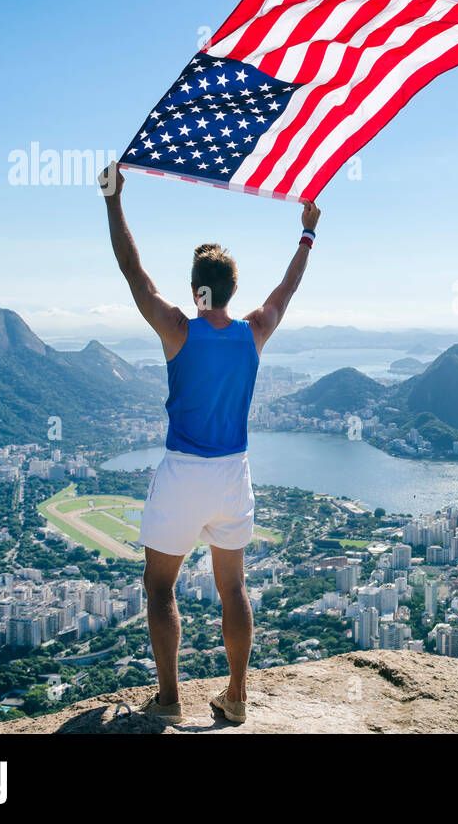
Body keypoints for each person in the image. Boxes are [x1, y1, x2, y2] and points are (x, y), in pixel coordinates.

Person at [100, 164, 321, 724]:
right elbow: (288, 288)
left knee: (159, 589)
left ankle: (170, 700)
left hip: (181, 475)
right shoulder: (255, 331)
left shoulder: (177, 328)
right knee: (233, 589)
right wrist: (307, 232)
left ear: (196, 289)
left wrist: (113, 199)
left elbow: (132, 272)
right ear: (232, 290)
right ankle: (237, 697)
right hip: (232, 475)